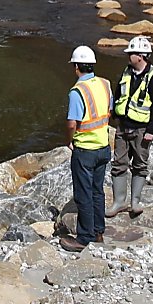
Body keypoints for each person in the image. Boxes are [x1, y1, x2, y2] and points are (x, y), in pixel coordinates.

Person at [109, 35, 153, 217]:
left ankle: (135, 202)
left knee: (140, 165)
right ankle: (119, 202)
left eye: (131, 53)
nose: (128, 56)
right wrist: (114, 113)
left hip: (142, 129)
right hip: (123, 126)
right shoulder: (126, 72)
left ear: (140, 56)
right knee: (119, 163)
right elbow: (118, 94)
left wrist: (151, 131)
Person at [64, 44, 112, 251]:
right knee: (97, 192)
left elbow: (72, 124)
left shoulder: (77, 91)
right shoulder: (105, 84)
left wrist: (70, 140)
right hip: (103, 145)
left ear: (76, 67)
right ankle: (98, 232)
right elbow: (109, 111)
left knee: (83, 194)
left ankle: (84, 238)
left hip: (85, 149)